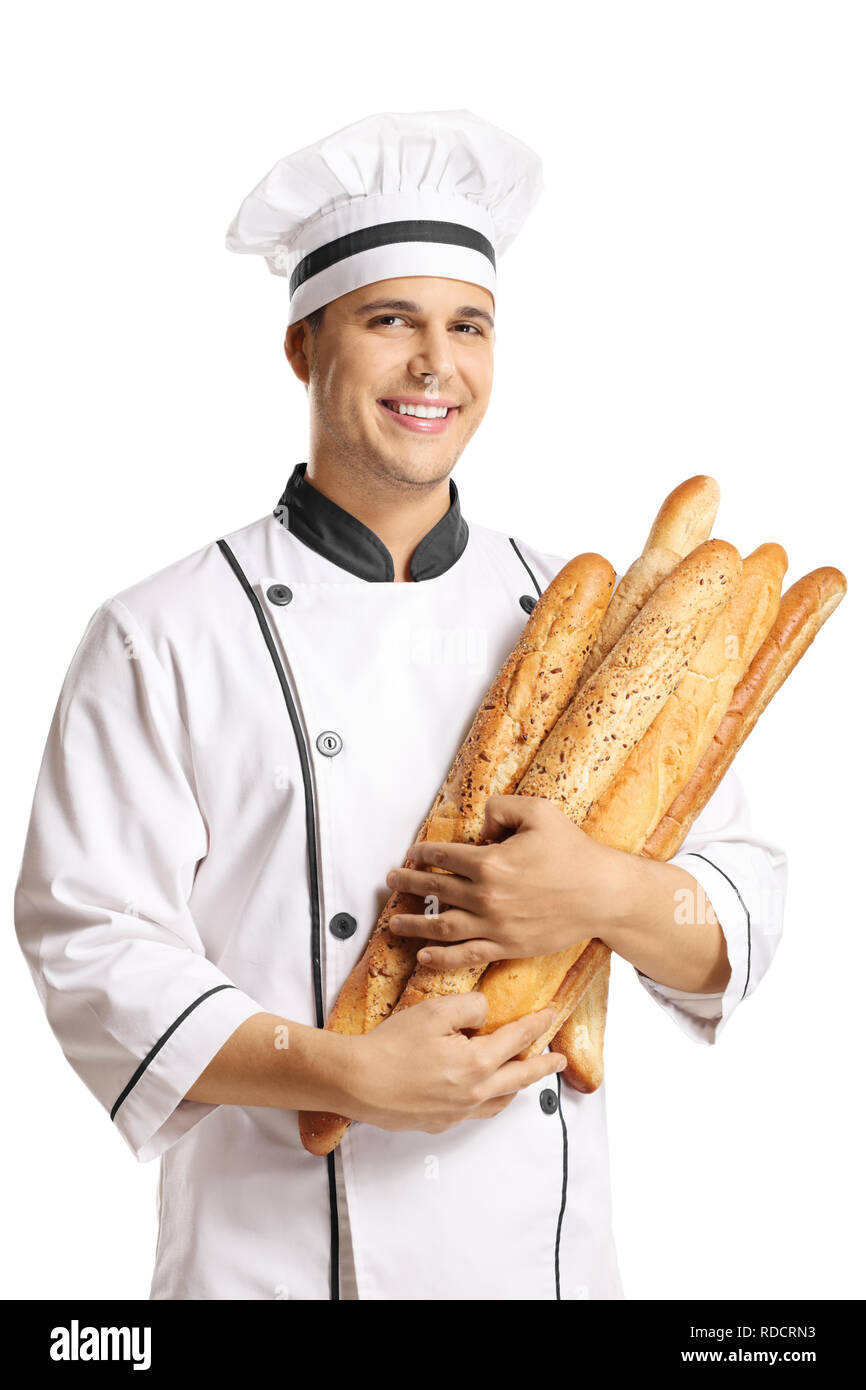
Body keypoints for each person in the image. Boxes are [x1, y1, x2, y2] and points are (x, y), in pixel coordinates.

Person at [14, 109, 786, 1301]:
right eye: (391, 322)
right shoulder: (161, 632)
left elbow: (737, 912)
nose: (437, 365)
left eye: (467, 326)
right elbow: (90, 942)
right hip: (267, 1269)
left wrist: (604, 891)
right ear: (301, 348)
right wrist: (344, 1072)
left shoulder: (582, 619)